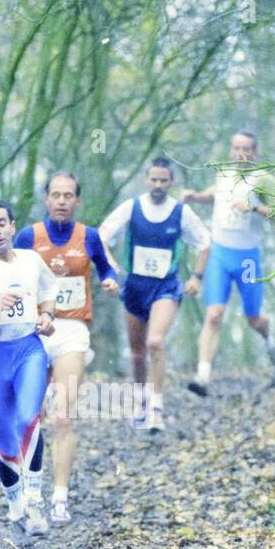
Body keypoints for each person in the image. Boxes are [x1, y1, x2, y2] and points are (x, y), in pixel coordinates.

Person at [13, 172, 119, 522]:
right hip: (35, 330)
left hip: (72, 330)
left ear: (77, 201)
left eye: (68, 195)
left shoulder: (89, 236)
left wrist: (109, 281)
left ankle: (59, 497)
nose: (61, 201)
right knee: (29, 417)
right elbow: (11, 272)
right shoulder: (29, 236)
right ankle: (29, 492)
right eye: (55, 195)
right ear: (46, 199)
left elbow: (106, 268)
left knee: (63, 416)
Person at [98, 156, 212, 432]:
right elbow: (101, 235)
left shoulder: (180, 212)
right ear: (146, 180)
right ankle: (140, 402)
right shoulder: (132, 207)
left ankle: (156, 410)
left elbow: (205, 242)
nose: (159, 185)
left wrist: (196, 277)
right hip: (135, 286)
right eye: (154, 180)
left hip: (166, 287)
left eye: (164, 180)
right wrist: (110, 267)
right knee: (137, 353)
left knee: (155, 343)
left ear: (172, 182)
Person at [0, 198, 58, 533]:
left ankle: (35, 501)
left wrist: (47, 316)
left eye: (1, 223)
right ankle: (15, 501)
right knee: (2, 436)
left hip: (28, 350)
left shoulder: (32, 261)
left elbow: (50, 290)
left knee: (27, 418)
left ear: (12, 225)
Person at [180, 130, 275, 397]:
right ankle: (202, 377)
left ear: (255, 153)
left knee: (253, 319)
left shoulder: (264, 181)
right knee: (214, 315)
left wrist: (254, 208)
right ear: (230, 151)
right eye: (236, 148)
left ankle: (269, 338)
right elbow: (214, 195)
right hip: (219, 255)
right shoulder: (224, 175)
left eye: (246, 149)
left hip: (247, 258)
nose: (241, 154)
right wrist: (194, 196)